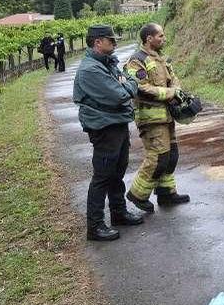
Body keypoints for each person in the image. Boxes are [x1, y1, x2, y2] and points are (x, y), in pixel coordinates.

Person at [72, 25, 143, 241]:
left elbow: (130, 83)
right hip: (104, 127)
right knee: (102, 176)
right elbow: (120, 95)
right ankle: (94, 226)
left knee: (117, 171)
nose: (114, 43)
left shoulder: (108, 63)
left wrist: (127, 84)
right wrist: (127, 85)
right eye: (111, 40)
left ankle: (118, 212)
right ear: (97, 42)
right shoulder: (90, 70)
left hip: (117, 123)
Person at [124, 23, 190, 212]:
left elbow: (174, 78)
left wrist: (177, 91)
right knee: (158, 157)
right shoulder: (136, 60)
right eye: (160, 36)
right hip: (151, 119)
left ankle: (166, 193)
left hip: (167, 116)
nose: (164, 38)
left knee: (172, 155)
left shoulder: (161, 59)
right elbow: (140, 88)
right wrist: (170, 93)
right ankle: (137, 194)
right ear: (148, 39)